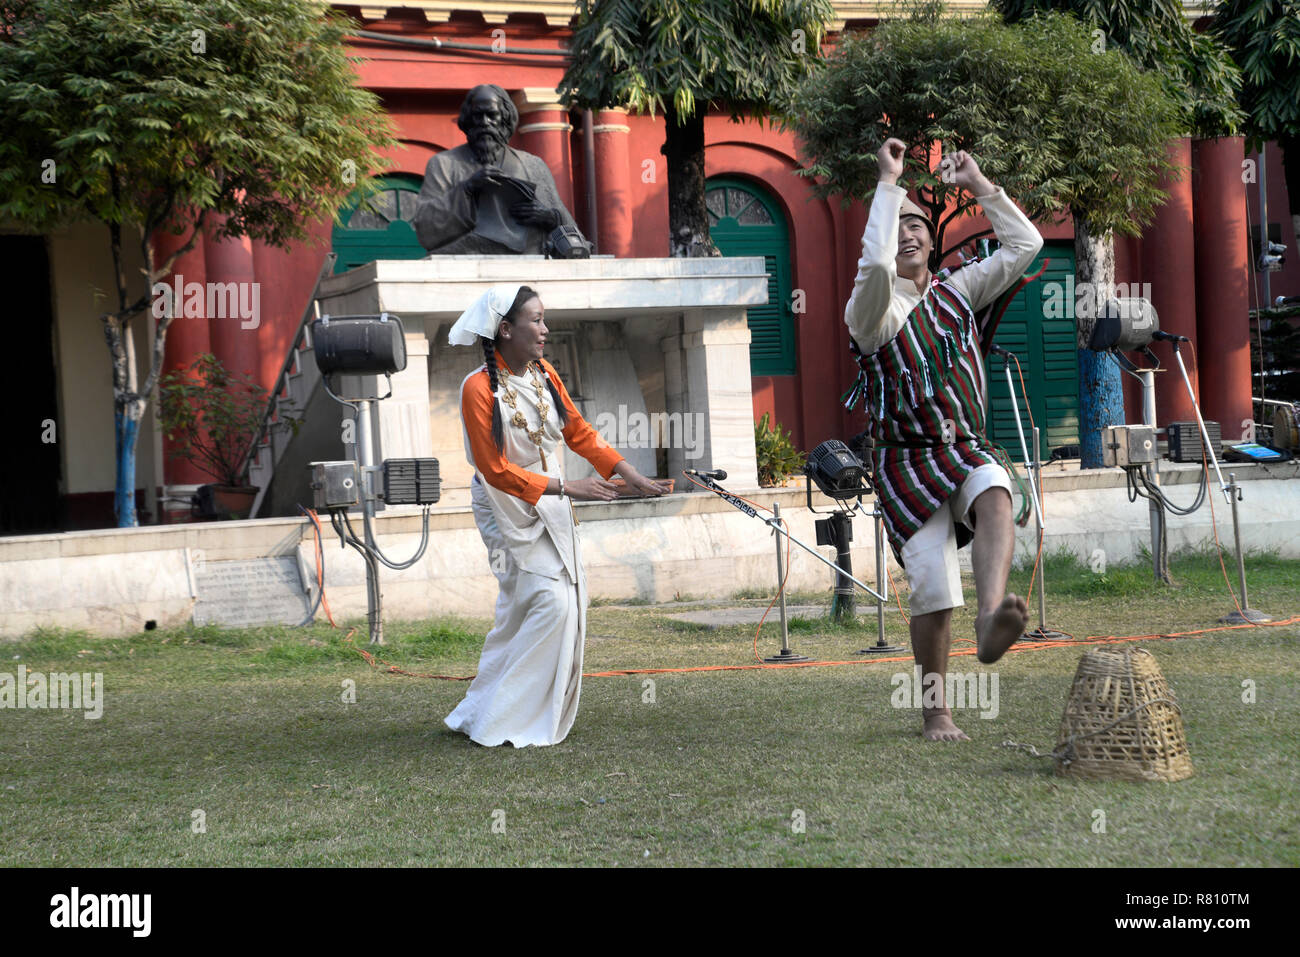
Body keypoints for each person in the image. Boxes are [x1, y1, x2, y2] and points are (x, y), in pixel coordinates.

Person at [843, 138, 1042, 741]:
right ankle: (936, 712)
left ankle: (990, 619)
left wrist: (981, 183)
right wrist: (888, 183)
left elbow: (1026, 245)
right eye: (896, 227)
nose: (907, 235)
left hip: (961, 448)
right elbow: (876, 267)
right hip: (905, 463)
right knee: (931, 585)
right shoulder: (869, 311)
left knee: (995, 489)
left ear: (932, 240)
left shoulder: (958, 291)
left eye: (917, 227)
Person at [445, 284, 669, 747]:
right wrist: (570, 487)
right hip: (505, 504)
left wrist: (632, 474)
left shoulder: (545, 373)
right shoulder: (476, 388)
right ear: (505, 329)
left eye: (544, 319)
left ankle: (489, 711)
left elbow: (579, 433)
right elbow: (495, 470)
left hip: (553, 497)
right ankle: (500, 715)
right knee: (551, 602)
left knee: (532, 607)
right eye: (536, 319)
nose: (546, 330)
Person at [412, 84, 586, 256]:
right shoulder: (444, 164)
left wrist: (549, 217)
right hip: (466, 260)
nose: (484, 122)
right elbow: (426, 229)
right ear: (468, 119)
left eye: (491, 115)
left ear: (504, 117)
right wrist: (468, 188)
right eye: (477, 116)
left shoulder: (533, 165)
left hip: (528, 262)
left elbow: (569, 228)